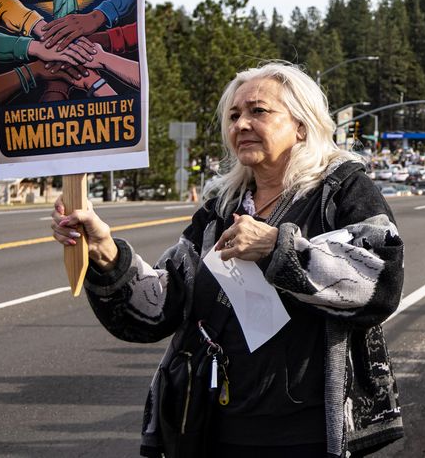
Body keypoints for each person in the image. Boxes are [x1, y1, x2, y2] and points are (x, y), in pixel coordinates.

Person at [50, 62, 405, 457]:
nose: (242, 124)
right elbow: (160, 306)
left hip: (308, 433)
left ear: (302, 126)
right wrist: (105, 252)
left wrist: (277, 248)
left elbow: (380, 282)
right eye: (234, 116)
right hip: (214, 426)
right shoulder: (220, 209)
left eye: (258, 111)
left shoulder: (342, 191)